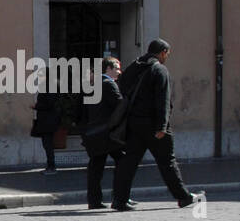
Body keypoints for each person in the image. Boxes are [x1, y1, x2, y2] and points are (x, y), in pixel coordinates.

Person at [111, 39, 201, 211]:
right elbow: (163, 99)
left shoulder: (134, 66)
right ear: (162, 52)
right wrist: (162, 126)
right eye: (167, 54)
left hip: (134, 123)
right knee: (167, 161)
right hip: (154, 124)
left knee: (128, 161)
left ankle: (119, 200)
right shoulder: (159, 70)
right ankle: (183, 197)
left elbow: (122, 87)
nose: (167, 57)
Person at [81, 56, 128, 209]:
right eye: (117, 69)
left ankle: (94, 200)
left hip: (94, 133)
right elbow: (120, 106)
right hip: (107, 134)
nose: (120, 72)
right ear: (108, 69)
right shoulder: (109, 84)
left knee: (95, 168)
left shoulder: (93, 85)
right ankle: (120, 197)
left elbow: (84, 111)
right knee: (123, 162)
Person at [31, 89, 60, 174]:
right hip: (45, 122)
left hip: (48, 122)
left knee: (48, 145)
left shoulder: (50, 89)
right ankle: (50, 166)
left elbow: (49, 104)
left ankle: (51, 167)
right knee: (47, 145)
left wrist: (36, 106)